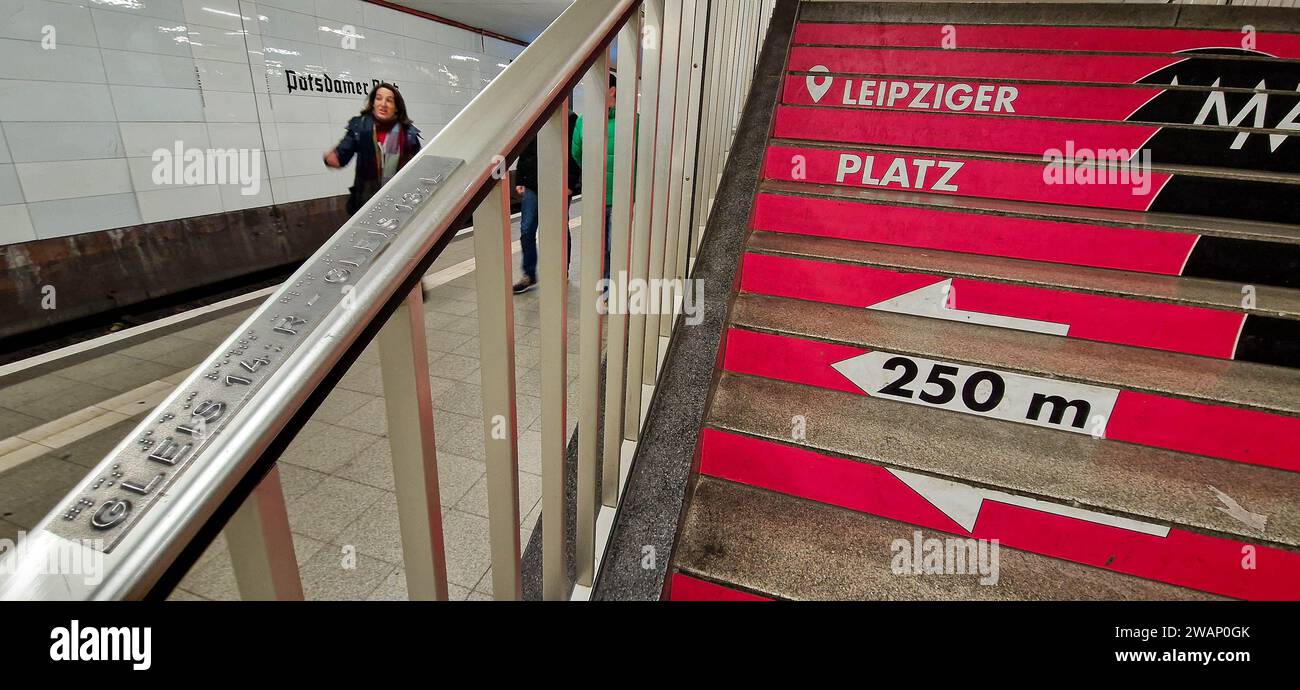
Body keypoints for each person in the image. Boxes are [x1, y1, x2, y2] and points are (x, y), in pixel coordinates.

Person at [324, 83, 423, 215]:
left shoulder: (408, 133)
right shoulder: (360, 127)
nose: (383, 104)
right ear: (373, 103)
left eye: (389, 100)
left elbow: (417, 168)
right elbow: (342, 154)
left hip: (399, 203)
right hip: (365, 202)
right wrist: (333, 158)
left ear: (396, 108)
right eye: (379, 98)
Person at [513, 111, 582, 294]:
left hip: (558, 185)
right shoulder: (536, 115)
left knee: (559, 229)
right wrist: (520, 178)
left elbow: (574, 152)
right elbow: (525, 147)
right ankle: (529, 274)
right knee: (526, 230)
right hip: (533, 185)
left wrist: (571, 183)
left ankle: (561, 271)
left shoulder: (570, 119)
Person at [571, 74, 621, 282]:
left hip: (620, 197)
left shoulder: (631, 120)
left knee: (614, 245)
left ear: (612, 91)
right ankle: (605, 284)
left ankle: (611, 284)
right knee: (600, 245)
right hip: (596, 196)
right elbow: (576, 152)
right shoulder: (583, 121)